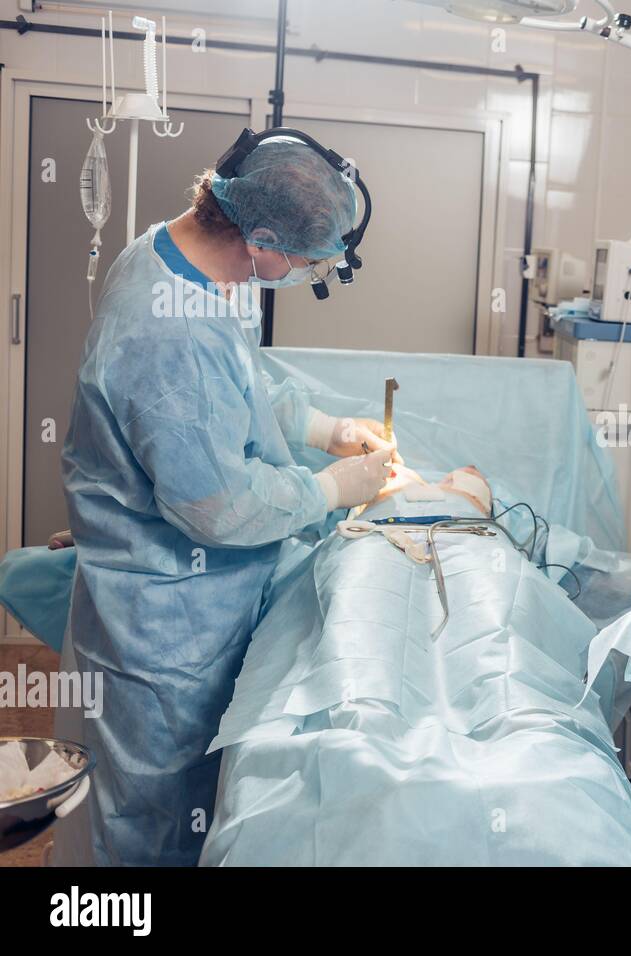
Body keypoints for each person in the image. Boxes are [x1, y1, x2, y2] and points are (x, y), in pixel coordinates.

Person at [52, 136, 407, 865]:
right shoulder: (170, 328)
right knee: (151, 820)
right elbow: (218, 506)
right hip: (165, 629)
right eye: (308, 260)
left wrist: (323, 429)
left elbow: (234, 386)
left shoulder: (176, 258)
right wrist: (331, 489)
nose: (307, 271)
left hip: (193, 601)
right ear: (263, 240)